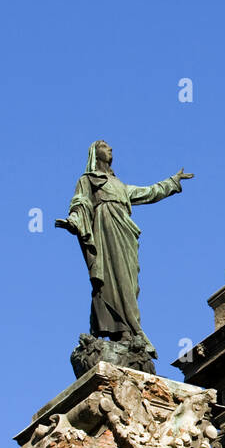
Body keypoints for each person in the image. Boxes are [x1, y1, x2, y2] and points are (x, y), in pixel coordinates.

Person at [56, 140, 193, 357]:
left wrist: (172, 181)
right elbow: (80, 202)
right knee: (112, 279)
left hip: (125, 232)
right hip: (105, 228)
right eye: (104, 146)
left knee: (129, 283)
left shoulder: (120, 185)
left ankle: (129, 329)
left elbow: (149, 192)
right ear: (95, 153)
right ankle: (125, 331)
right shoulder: (88, 180)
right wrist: (74, 220)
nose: (110, 149)